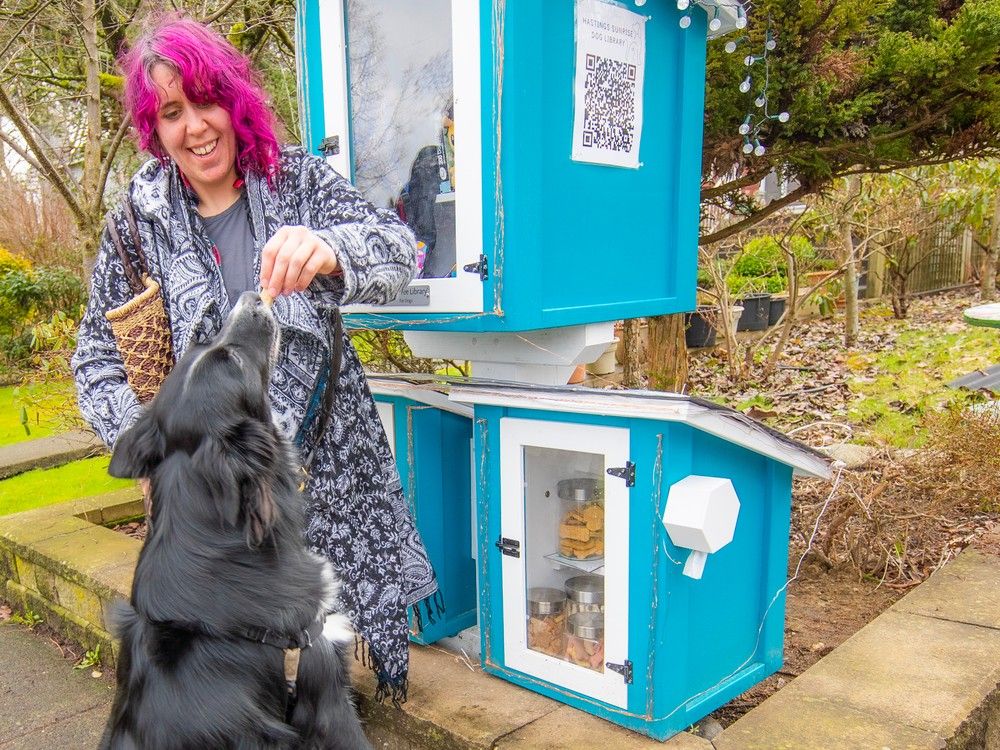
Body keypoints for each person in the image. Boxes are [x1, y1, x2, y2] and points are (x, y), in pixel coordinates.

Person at [71, 16, 438, 703]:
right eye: (172, 112)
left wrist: (333, 251)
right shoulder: (138, 217)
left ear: (234, 100)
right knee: (243, 687)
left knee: (335, 661)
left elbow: (398, 250)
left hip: (330, 470)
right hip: (218, 506)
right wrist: (156, 433)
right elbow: (93, 355)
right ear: (156, 127)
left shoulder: (295, 179)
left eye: (206, 100)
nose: (196, 127)